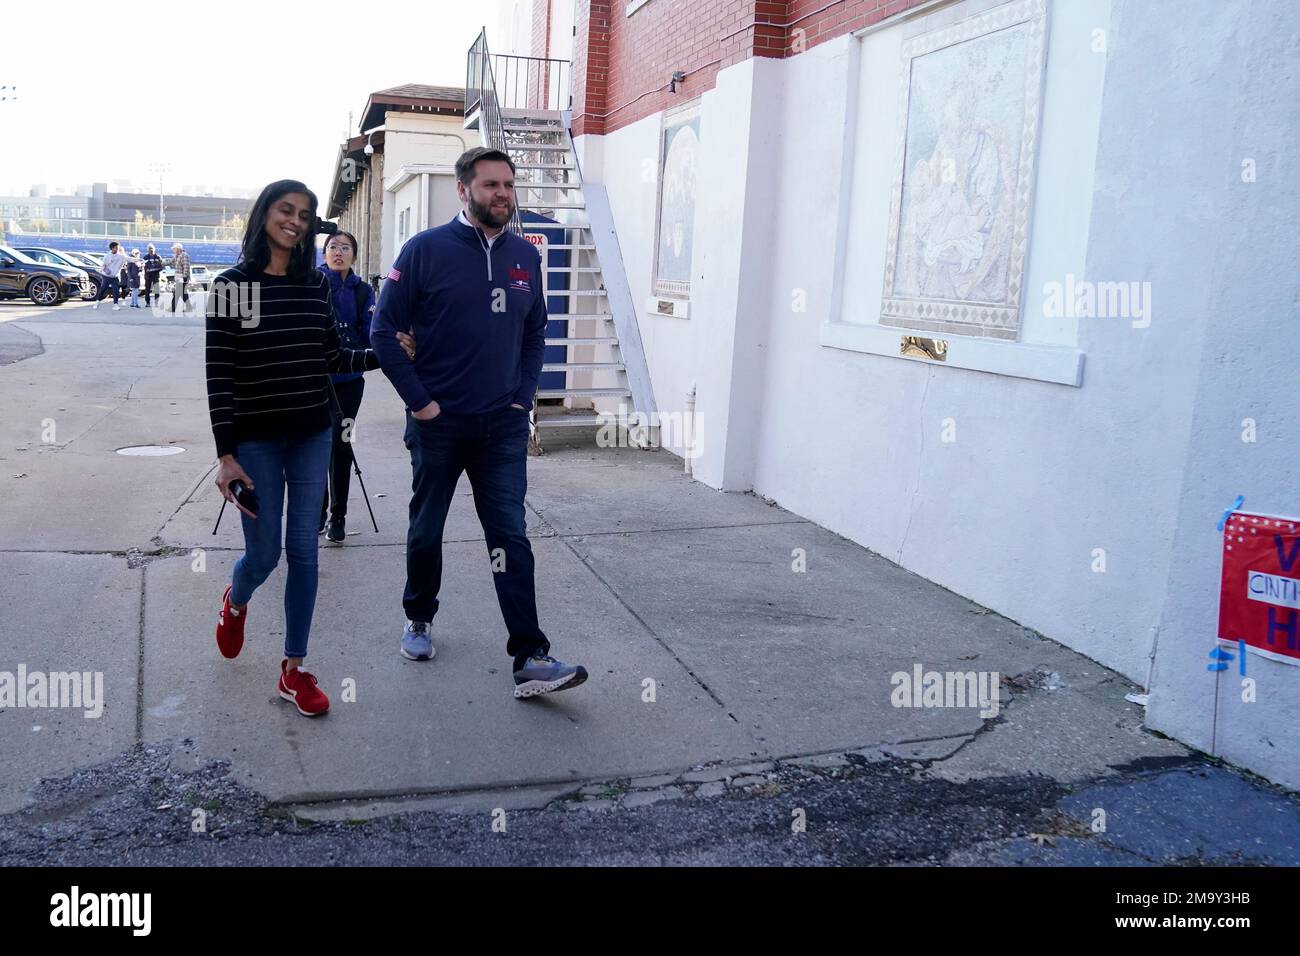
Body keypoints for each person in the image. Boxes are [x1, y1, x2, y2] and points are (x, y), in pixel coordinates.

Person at [371, 146, 588, 699]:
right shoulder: (424, 251)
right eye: (491, 185)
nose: (503, 194)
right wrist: (421, 403)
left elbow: (536, 330)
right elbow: (382, 331)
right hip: (438, 425)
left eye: (509, 185)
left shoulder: (523, 256)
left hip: (502, 428)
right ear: (464, 190)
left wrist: (523, 396)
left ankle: (530, 656)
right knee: (427, 529)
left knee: (509, 536)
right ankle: (419, 617)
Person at [207, 179, 380, 717]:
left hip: (313, 433)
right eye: (287, 210)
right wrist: (226, 454)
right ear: (264, 215)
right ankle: (235, 602)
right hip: (255, 442)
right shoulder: (231, 286)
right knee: (263, 555)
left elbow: (335, 354)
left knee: (303, 551)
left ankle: (293, 669)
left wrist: (387, 354)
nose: (297, 221)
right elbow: (220, 376)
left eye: (306, 215)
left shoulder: (314, 286)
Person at [317, 230, 375, 543]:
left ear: (354, 254)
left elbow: (369, 335)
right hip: (315, 380)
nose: (338, 252)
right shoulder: (312, 283)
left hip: (350, 382)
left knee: (342, 443)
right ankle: (317, 511)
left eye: (346, 247)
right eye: (333, 247)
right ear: (324, 253)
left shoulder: (363, 291)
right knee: (316, 443)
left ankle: (337, 516)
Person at [92, 241, 126, 311]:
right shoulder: (107, 256)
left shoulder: (120, 256)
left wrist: (138, 260)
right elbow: (103, 266)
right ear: (112, 248)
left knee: (116, 290)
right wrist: (106, 271)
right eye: (116, 247)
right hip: (106, 276)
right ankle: (97, 302)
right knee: (103, 289)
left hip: (114, 277)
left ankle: (115, 305)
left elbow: (129, 259)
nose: (117, 249)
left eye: (118, 247)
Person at [170, 242, 191, 313]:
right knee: (183, 293)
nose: (173, 250)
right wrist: (161, 262)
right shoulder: (177, 256)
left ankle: (172, 308)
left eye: (174, 249)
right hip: (179, 277)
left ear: (178, 249)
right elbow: (170, 262)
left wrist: (184, 277)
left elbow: (186, 266)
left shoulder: (184, 255)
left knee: (177, 293)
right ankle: (189, 307)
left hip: (182, 277)